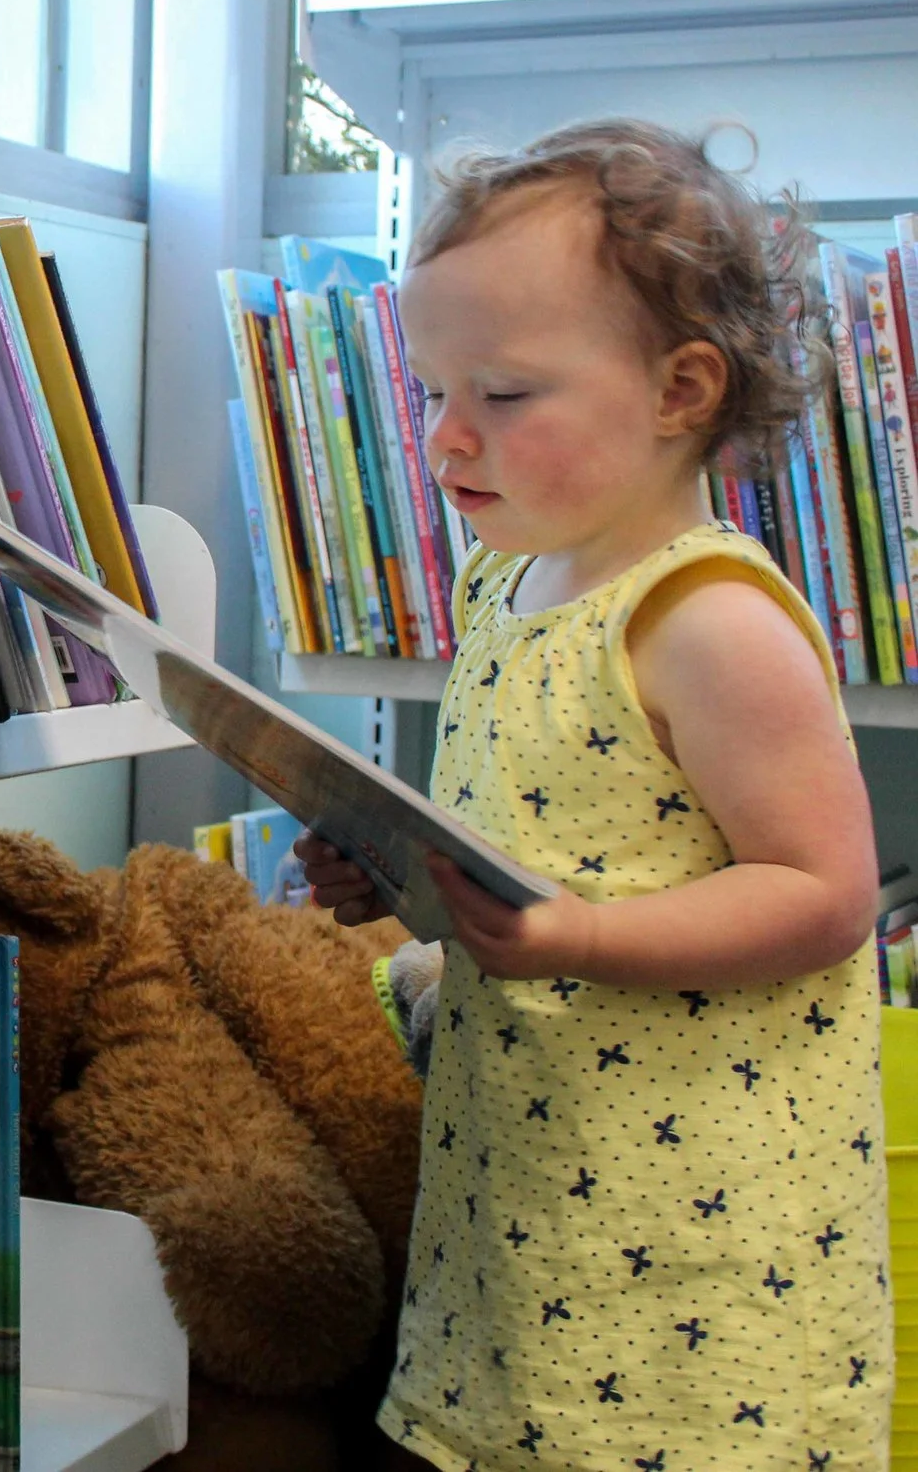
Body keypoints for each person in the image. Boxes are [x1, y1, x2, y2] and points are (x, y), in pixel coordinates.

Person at [294, 118, 888, 1470]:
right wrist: (393, 878)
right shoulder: (510, 581)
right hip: (528, 1227)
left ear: (682, 388)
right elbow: (533, 841)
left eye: (503, 395)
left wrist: (583, 938)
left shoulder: (713, 619)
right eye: (433, 390)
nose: (447, 439)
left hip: (696, 1279)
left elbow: (823, 889)